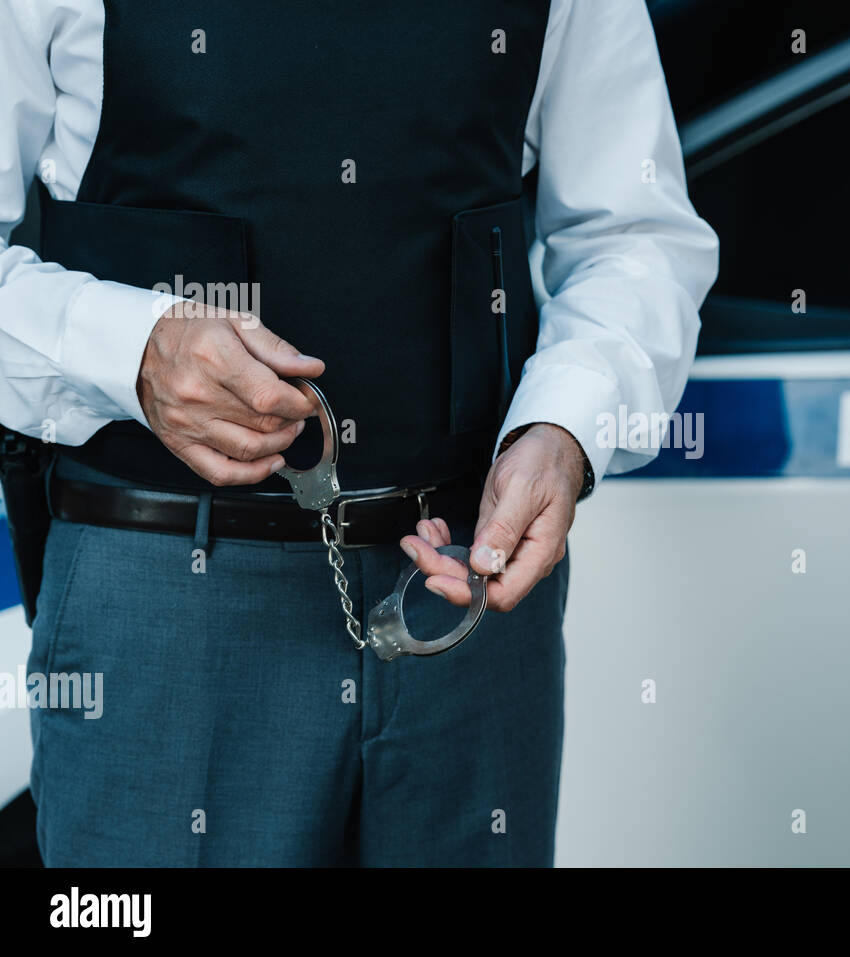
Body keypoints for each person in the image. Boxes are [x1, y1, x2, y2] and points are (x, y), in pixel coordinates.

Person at [0, 0, 717, 866]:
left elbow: (631, 233)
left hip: (463, 601)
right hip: (166, 609)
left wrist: (564, 429)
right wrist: (135, 348)